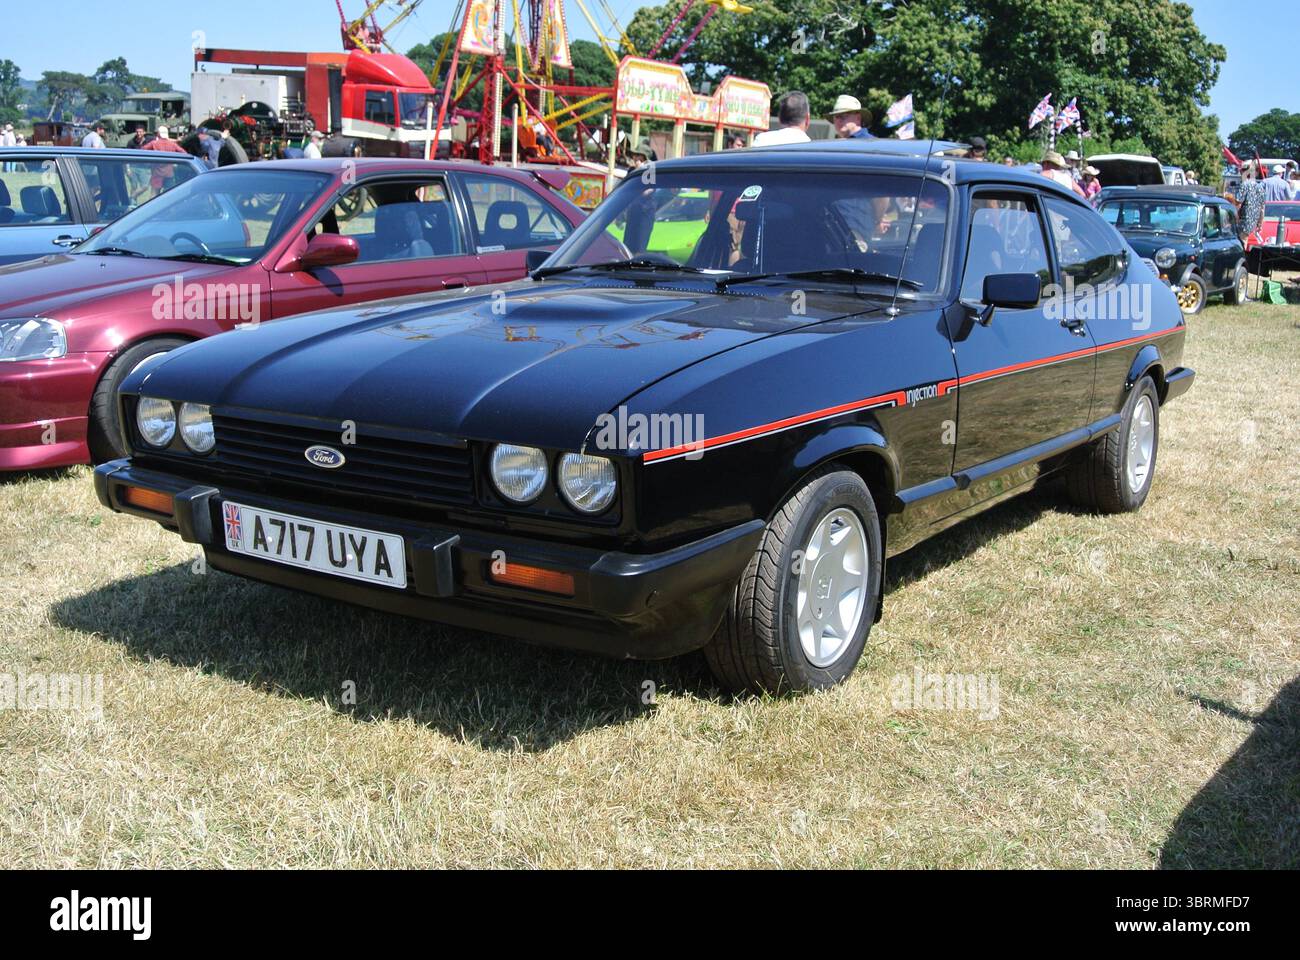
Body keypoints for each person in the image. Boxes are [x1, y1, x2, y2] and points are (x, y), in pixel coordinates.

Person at [1227, 162, 1266, 241]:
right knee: (1246, 241)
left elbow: (1238, 204)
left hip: (1243, 220)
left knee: (1241, 242)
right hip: (1254, 221)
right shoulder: (1260, 187)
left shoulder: (1244, 185)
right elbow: (1262, 208)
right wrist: (1260, 223)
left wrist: (1231, 218)